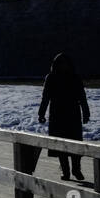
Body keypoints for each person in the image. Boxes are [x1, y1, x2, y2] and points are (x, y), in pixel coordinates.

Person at [38, 52, 90, 181]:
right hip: (57, 115)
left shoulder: (75, 78)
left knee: (75, 143)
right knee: (60, 145)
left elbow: (82, 97)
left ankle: (76, 169)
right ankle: (66, 171)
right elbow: (45, 98)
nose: (63, 66)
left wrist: (86, 113)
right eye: (61, 64)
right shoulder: (51, 78)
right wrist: (41, 113)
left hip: (73, 114)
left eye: (65, 63)